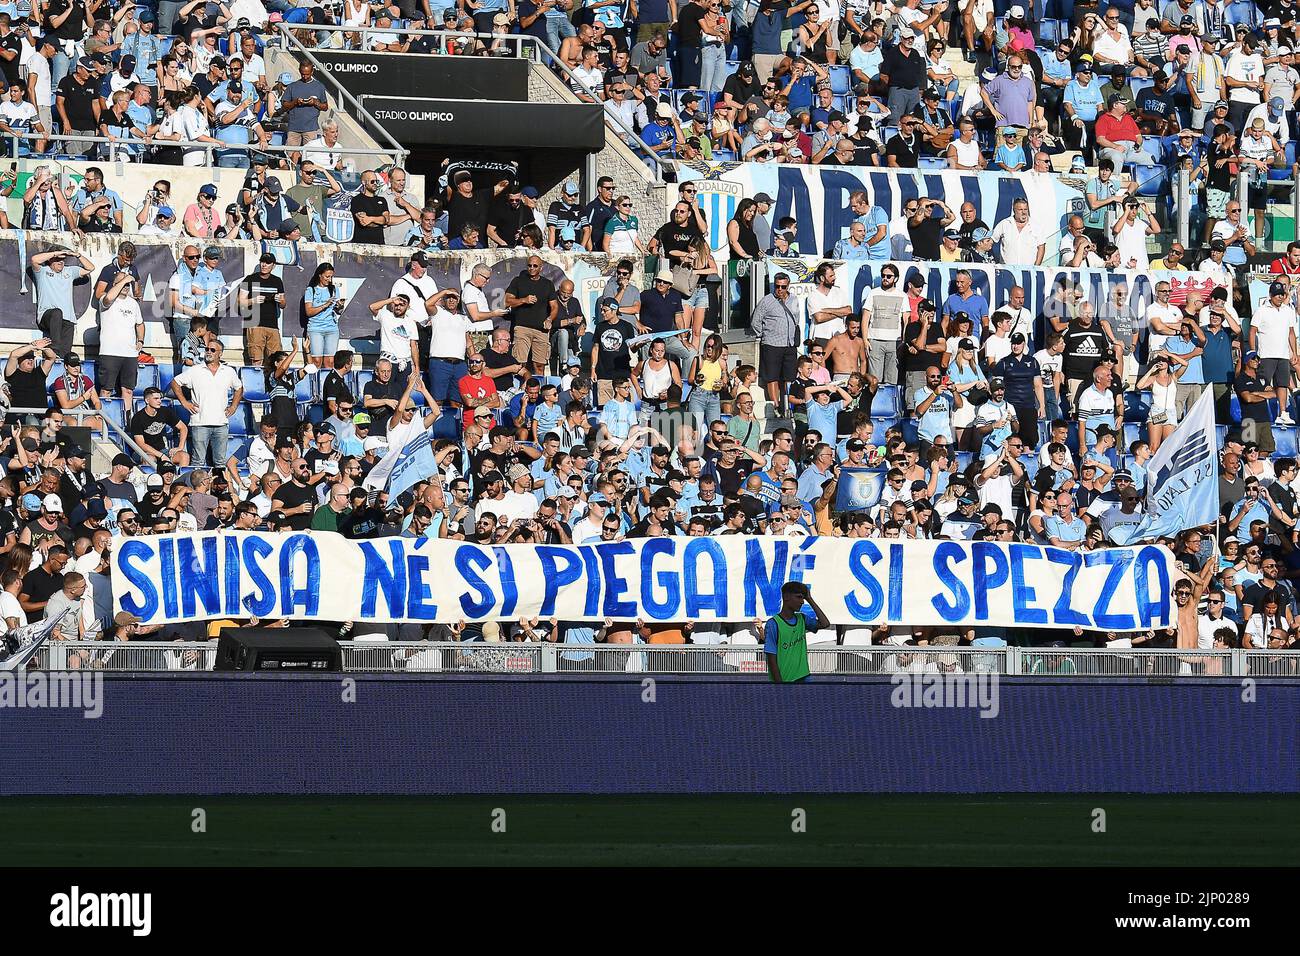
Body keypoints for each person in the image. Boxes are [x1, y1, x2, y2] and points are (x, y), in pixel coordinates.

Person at [763, 580, 830, 683]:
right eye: (799, 597)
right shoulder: (773, 624)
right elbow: (771, 657)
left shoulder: (802, 619)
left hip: (804, 678)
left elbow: (825, 624)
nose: (802, 602)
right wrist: (779, 686)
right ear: (786, 597)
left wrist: (810, 599)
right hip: (784, 682)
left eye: (803, 598)